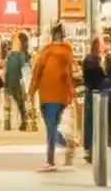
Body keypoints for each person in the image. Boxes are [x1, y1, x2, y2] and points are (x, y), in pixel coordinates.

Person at [28, 23, 76, 171]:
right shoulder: (68, 52)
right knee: (53, 124)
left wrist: (32, 90)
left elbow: (37, 71)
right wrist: (70, 93)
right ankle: (61, 148)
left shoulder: (46, 52)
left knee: (51, 126)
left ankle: (51, 158)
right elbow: (69, 74)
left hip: (47, 92)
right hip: (61, 94)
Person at [82, 38, 109, 163]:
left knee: (88, 122)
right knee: (96, 123)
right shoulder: (97, 62)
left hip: (88, 93)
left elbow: (85, 77)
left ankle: (88, 148)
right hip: (97, 95)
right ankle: (94, 150)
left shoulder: (86, 60)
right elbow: (101, 79)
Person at [4, 32, 30, 131]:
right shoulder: (10, 55)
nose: (14, 41)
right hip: (11, 83)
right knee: (11, 104)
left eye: (16, 40)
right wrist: (6, 85)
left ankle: (23, 121)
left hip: (18, 83)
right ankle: (9, 122)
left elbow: (25, 70)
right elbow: (7, 71)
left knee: (20, 103)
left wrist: (25, 84)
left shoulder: (21, 55)